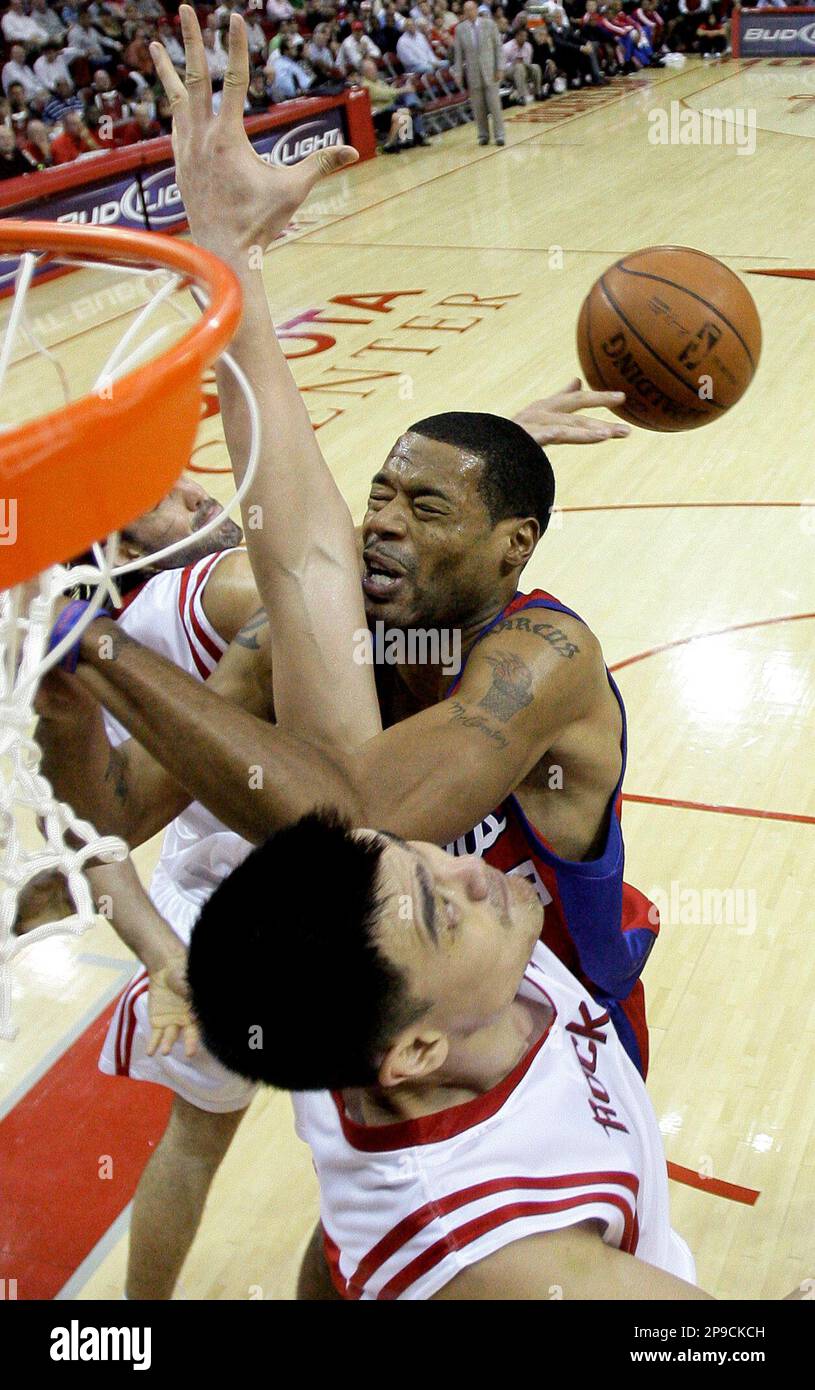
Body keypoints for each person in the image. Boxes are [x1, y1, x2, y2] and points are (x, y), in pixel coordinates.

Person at [453, 0, 505, 145]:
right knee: (479, 107)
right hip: (473, 72)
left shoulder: (489, 24)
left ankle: (499, 135)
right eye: (466, 10)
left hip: (491, 70)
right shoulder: (460, 29)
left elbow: (498, 48)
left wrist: (500, 68)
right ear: (463, 12)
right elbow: (458, 54)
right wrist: (457, 73)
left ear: (476, 9)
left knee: (494, 105)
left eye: (471, 9)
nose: (469, 12)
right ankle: (483, 135)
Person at [502, 23, 542, 102]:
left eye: (525, 36)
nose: (524, 38)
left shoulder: (528, 46)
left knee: (536, 66)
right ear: (517, 36)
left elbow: (529, 63)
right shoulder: (507, 47)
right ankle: (521, 96)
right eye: (522, 36)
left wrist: (524, 64)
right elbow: (502, 66)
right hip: (509, 71)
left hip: (524, 68)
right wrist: (513, 63)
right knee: (519, 67)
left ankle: (538, 92)